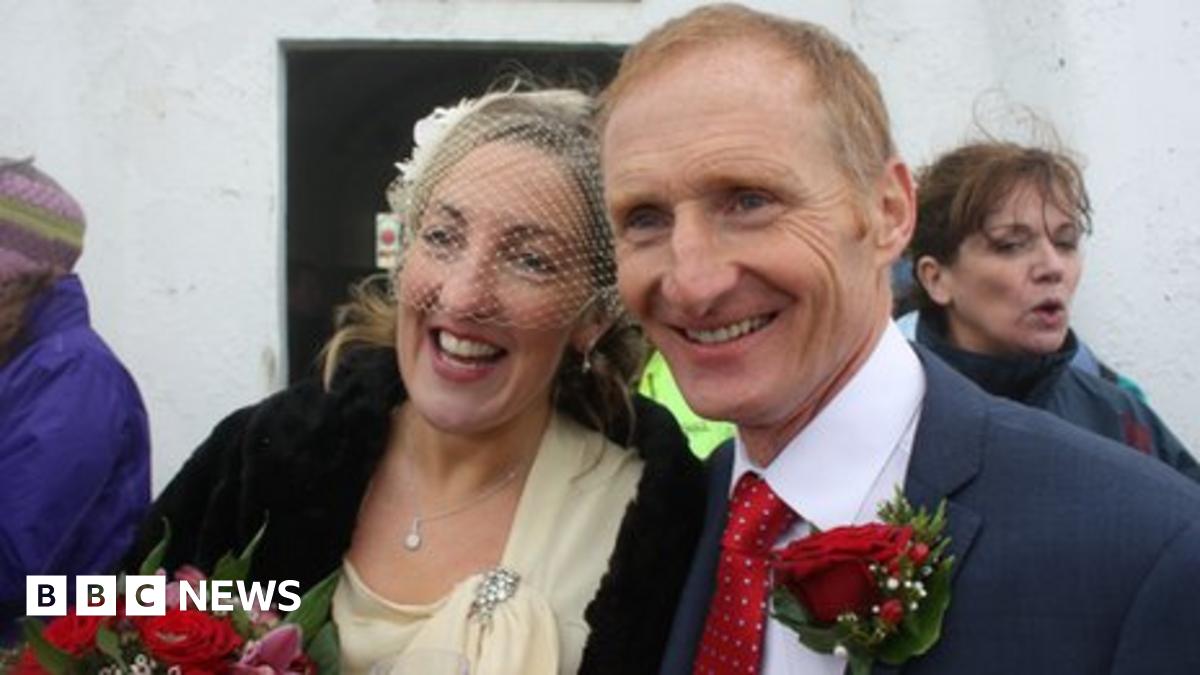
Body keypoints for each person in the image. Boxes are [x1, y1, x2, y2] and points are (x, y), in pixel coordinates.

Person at [598, 4, 1200, 674]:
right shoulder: (664, 525)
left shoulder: (1144, 547)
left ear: (888, 213)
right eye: (644, 218)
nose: (691, 281)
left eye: (749, 200)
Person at [126, 87, 705, 675]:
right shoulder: (263, 453)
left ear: (594, 315)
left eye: (530, 260)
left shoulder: (650, 516)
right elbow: (84, 610)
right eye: (443, 237)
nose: (462, 296)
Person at [906, 140, 1198, 481]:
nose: (1052, 267)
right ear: (936, 278)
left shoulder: (1119, 416)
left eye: (1065, 242)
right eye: (1011, 245)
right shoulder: (890, 412)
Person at [0, 158, 151, 644]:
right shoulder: (26, 364)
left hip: (42, 652)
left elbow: (17, 560)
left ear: (16, 276)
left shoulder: (74, 374)